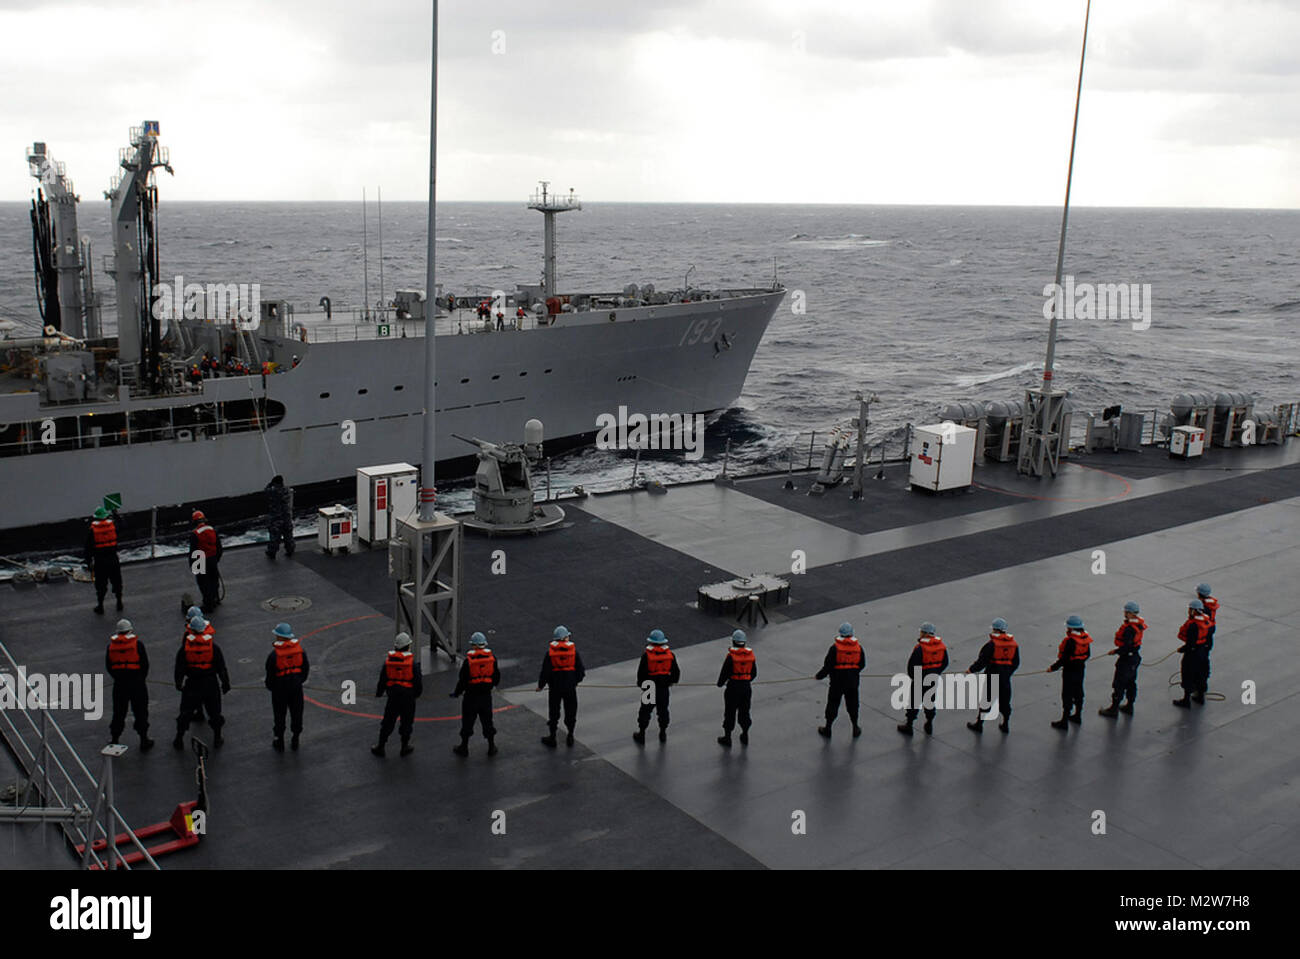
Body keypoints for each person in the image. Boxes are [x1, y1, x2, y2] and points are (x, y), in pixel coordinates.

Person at [174, 614, 230, 749]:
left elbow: (179, 668)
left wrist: (178, 683)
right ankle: (217, 737)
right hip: (210, 683)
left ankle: (179, 738)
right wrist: (225, 683)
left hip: (192, 683)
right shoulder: (213, 648)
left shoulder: (185, 649)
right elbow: (221, 668)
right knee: (214, 712)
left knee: (185, 712)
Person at [371, 632, 422, 757]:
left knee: (388, 721)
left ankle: (381, 746)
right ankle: (404, 746)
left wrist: (379, 693)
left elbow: (383, 680)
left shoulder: (388, 662)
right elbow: (418, 682)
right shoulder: (412, 664)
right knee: (407, 722)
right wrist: (415, 695)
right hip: (408, 698)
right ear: (408, 647)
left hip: (393, 697)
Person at [106, 618, 153, 751]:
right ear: (130, 630)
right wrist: (140, 679)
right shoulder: (138, 645)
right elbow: (145, 665)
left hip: (120, 685)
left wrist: (119, 677)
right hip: (137, 684)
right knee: (141, 711)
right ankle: (144, 738)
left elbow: (109, 666)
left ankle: (115, 738)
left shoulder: (111, 647)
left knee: (119, 712)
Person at [451, 632, 500, 756]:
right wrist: (491, 685)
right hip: (485, 697)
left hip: (470, 697)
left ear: (473, 645)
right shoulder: (492, 659)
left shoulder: (469, 661)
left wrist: (457, 693)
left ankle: (464, 747)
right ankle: (491, 746)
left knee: (467, 722)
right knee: (487, 721)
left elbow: (462, 680)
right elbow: (496, 677)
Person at [967, 618, 1019, 734]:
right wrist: (1007, 673)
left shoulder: (991, 645)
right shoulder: (1013, 645)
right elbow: (1016, 663)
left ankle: (979, 724)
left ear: (995, 630)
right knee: (1005, 701)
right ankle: (1005, 724)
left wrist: (971, 670)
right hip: (1005, 678)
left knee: (986, 700)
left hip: (993, 677)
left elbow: (982, 661)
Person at [537, 626, 585, 747]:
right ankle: (570, 735)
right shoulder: (573, 652)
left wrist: (541, 686)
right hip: (570, 688)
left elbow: (545, 672)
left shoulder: (550, 654)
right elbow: (581, 671)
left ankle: (552, 737)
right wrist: (575, 682)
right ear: (565, 638)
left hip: (555, 688)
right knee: (571, 712)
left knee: (554, 712)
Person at [898, 622, 948, 736]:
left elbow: (912, 666)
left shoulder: (920, 649)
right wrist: (936, 673)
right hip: (932, 680)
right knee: (929, 702)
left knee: (914, 703)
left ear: (924, 633)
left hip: (919, 680)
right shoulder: (941, 647)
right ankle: (929, 722)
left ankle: (909, 725)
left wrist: (914, 678)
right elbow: (945, 663)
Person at [265, 622, 309, 751]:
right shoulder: (301, 652)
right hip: (296, 688)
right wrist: (298, 681)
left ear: (279, 637)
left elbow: (270, 675)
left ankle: (279, 741)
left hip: (279, 690)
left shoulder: (273, 656)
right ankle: (295, 738)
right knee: (297, 713)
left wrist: (272, 687)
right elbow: (305, 669)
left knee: (279, 715)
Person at [816, 623, 864, 738]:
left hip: (837, 682)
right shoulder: (858, 648)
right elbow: (862, 664)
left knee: (833, 703)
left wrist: (819, 676)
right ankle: (855, 727)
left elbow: (828, 666)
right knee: (853, 704)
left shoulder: (834, 649)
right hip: (852, 682)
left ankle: (828, 728)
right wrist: (853, 673)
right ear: (852, 633)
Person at [633, 629, 680, 744]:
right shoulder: (670, 655)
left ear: (651, 642)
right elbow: (676, 673)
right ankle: (663, 732)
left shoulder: (646, 656)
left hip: (649, 688)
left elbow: (641, 674)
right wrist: (670, 681)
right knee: (663, 710)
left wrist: (641, 684)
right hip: (663, 688)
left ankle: (642, 733)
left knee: (645, 711)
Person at [1100, 601, 1145, 717]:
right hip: (1134, 657)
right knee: (1131, 682)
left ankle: (1113, 709)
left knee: (1119, 683)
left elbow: (1126, 646)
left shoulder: (1129, 629)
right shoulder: (1137, 626)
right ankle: (1130, 705)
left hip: (1127, 660)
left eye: (1126, 612)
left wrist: (1116, 651)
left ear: (1130, 613)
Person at [1048, 615, 1092, 729]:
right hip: (1080, 669)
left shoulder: (1070, 641)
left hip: (1070, 671)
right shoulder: (1085, 639)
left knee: (1067, 694)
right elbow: (1087, 655)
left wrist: (1053, 667)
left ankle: (1064, 720)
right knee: (1078, 692)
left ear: (1071, 628)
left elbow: (1064, 658)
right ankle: (1078, 715)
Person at [716, 629, 756, 747]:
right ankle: (745, 734)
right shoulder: (751, 656)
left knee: (730, 712)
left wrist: (720, 683)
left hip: (733, 688)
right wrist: (746, 680)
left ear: (733, 642)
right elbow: (754, 673)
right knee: (745, 711)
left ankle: (727, 737)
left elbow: (724, 673)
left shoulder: (731, 657)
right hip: (746, 688)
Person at [1173, 599, 1213, 708]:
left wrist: (1183, 649)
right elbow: (1209, 640)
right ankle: (1200, 696)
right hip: (1203, 652)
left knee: (1188, 674)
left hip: (1193, 654)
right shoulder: (1207, 623)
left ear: (1194, 611)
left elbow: (1190, 643)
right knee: (1201, 674)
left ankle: (1186, 700)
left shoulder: (1193, 626)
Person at [84, 506, 123, 614]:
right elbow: (122, 525)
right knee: (117, 581)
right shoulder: (113, 526)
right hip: (113, 559)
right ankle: (119, 602)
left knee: (101, 584)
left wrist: (88, 563)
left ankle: (100, 606)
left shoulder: (92, 531)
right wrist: (115, 512)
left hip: (100, 561)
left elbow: (87, 549)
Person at [189, 510, 223, 613]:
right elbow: (219, 547)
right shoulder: (212, 530)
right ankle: (215, 599)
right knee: (214, 580)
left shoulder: (194, 534)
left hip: (200, 559)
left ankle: (208, 604)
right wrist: (216, 559)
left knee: (203, 583)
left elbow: (193, 551)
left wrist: (192, 565)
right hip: (212, 558)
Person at [264, 475, 295, 559]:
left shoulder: (273, 492)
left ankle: (272, 552)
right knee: (288, 535)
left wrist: (270, 484)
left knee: (274, 537)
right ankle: (290, 550)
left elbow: (266, 491)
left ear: (275, 483)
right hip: (286, 517)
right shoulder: (287, 490)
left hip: (276, 518)